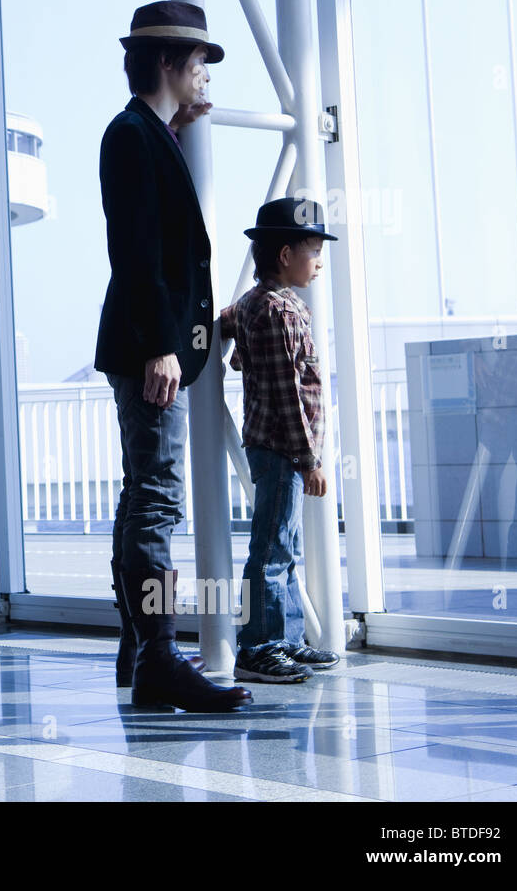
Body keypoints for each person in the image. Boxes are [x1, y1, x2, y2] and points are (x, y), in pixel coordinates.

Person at [94, 0, 252, 712]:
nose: (202, 78)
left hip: (150, 342)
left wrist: (174, 129)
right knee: (155, 498)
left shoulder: (147, 134)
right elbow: (136, 252)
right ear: (166, 62)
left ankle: (141, 646)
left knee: (142, 495)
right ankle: (158, 655)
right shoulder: (130, 136)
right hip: (148, 345)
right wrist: (162, 342)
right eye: (196, 65)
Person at [218, 198, 342, 682]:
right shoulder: (279, 312)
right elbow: (291, 395)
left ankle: (285, 641)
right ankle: (257, 648)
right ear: (286, 254)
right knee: (270, 549)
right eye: (313, 250)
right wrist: (309, 459)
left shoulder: (262, 304)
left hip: (275, 445)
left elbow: (231, 317)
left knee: (282, 546)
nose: (319, 261)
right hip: (282, 447)